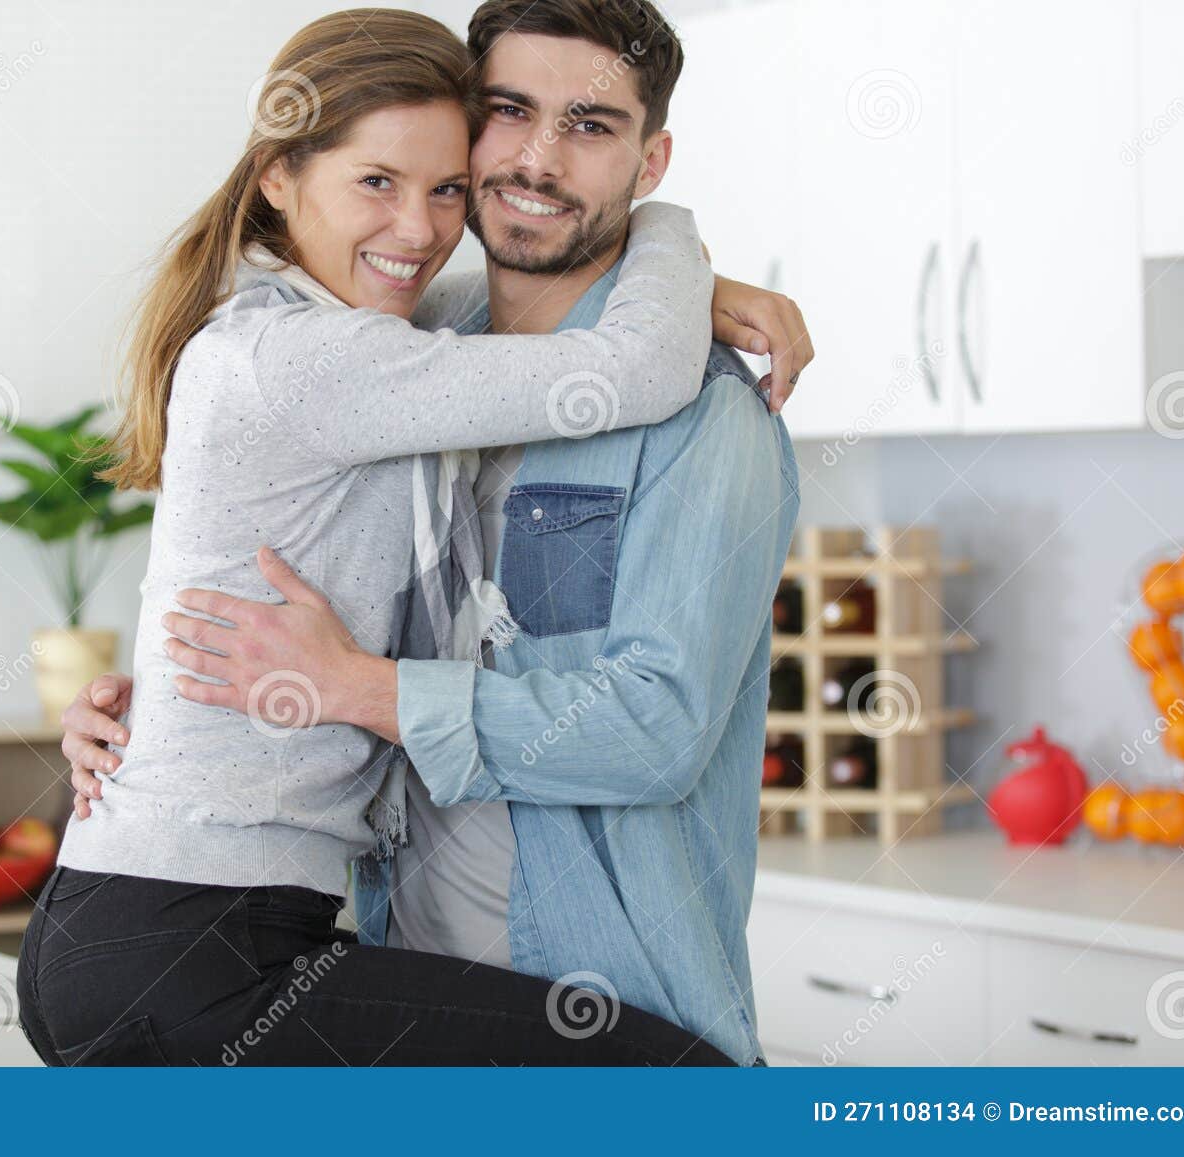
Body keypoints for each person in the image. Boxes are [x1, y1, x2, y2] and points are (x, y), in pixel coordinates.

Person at [39, 4, 808, 1067]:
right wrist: (672, 252)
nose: (534, 160)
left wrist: (673, 267)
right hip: (242, 937)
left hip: (517, 963)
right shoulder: (359, 357)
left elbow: (657, 726)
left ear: (648, 158)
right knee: (669, 1083)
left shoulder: (689, 412)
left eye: (589, 126)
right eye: (508, 112)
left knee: (679, 1083)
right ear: (277, 175)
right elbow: (614, 357)